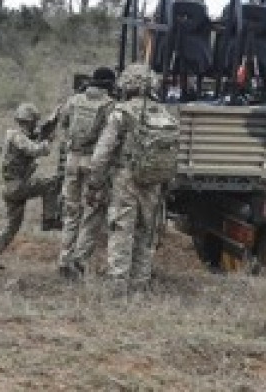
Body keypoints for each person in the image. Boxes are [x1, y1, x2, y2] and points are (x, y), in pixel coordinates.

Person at [89, 63, 178, 285]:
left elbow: (102, 153)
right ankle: (141, 280)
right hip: (154, 182)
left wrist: (95, 182)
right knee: (146, 231)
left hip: (126, 177)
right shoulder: (164, 113)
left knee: (121, 228)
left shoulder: (122, 113)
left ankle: (119, 281)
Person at [0, 103, 58, 270]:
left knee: (12, 225)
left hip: (10, 188)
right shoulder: (18, 137)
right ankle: (50, 219)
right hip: (17, 186)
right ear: (30, 122)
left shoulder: (14, 135)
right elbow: (35, 150)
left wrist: (50, 124)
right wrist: (46, 143)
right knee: (51, 183)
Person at [56, 66, 117, 279]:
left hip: (72, 159)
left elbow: (62, 125)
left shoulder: (74, 100)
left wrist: (69, 147)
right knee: (92, 214)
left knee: (71, 212)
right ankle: (79, 262)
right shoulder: (110, 105)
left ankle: (64, 259)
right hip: (93, 163)